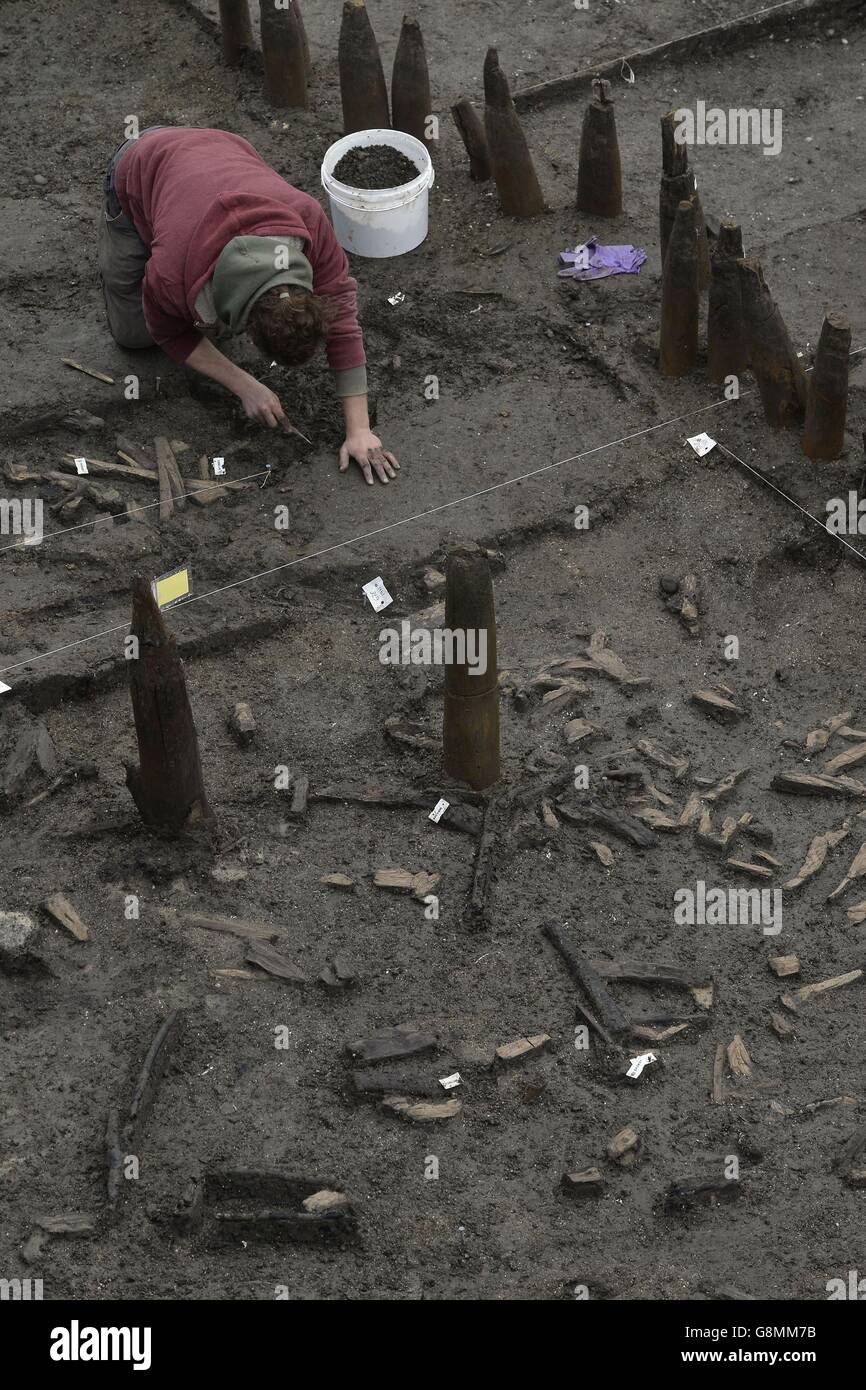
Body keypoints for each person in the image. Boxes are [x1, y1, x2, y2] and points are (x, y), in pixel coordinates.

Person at [98, 125, 399, 486]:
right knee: (135, 335)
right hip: (138, 166)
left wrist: (360, 429)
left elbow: (343, 319)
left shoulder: (306, 219)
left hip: (220, 145)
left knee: (201, 321)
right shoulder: (170, 276)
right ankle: (143, 229)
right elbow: (166, 330)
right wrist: (244, 385)